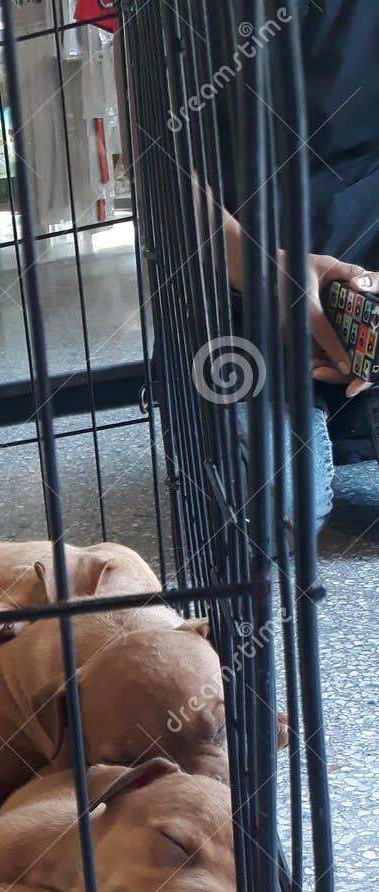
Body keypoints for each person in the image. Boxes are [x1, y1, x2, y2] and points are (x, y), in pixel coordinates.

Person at [209, 0, 379, 529]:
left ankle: (351, 422)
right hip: (242, 296)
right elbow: (165, 179)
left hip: (363, 278)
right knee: (279, 510)